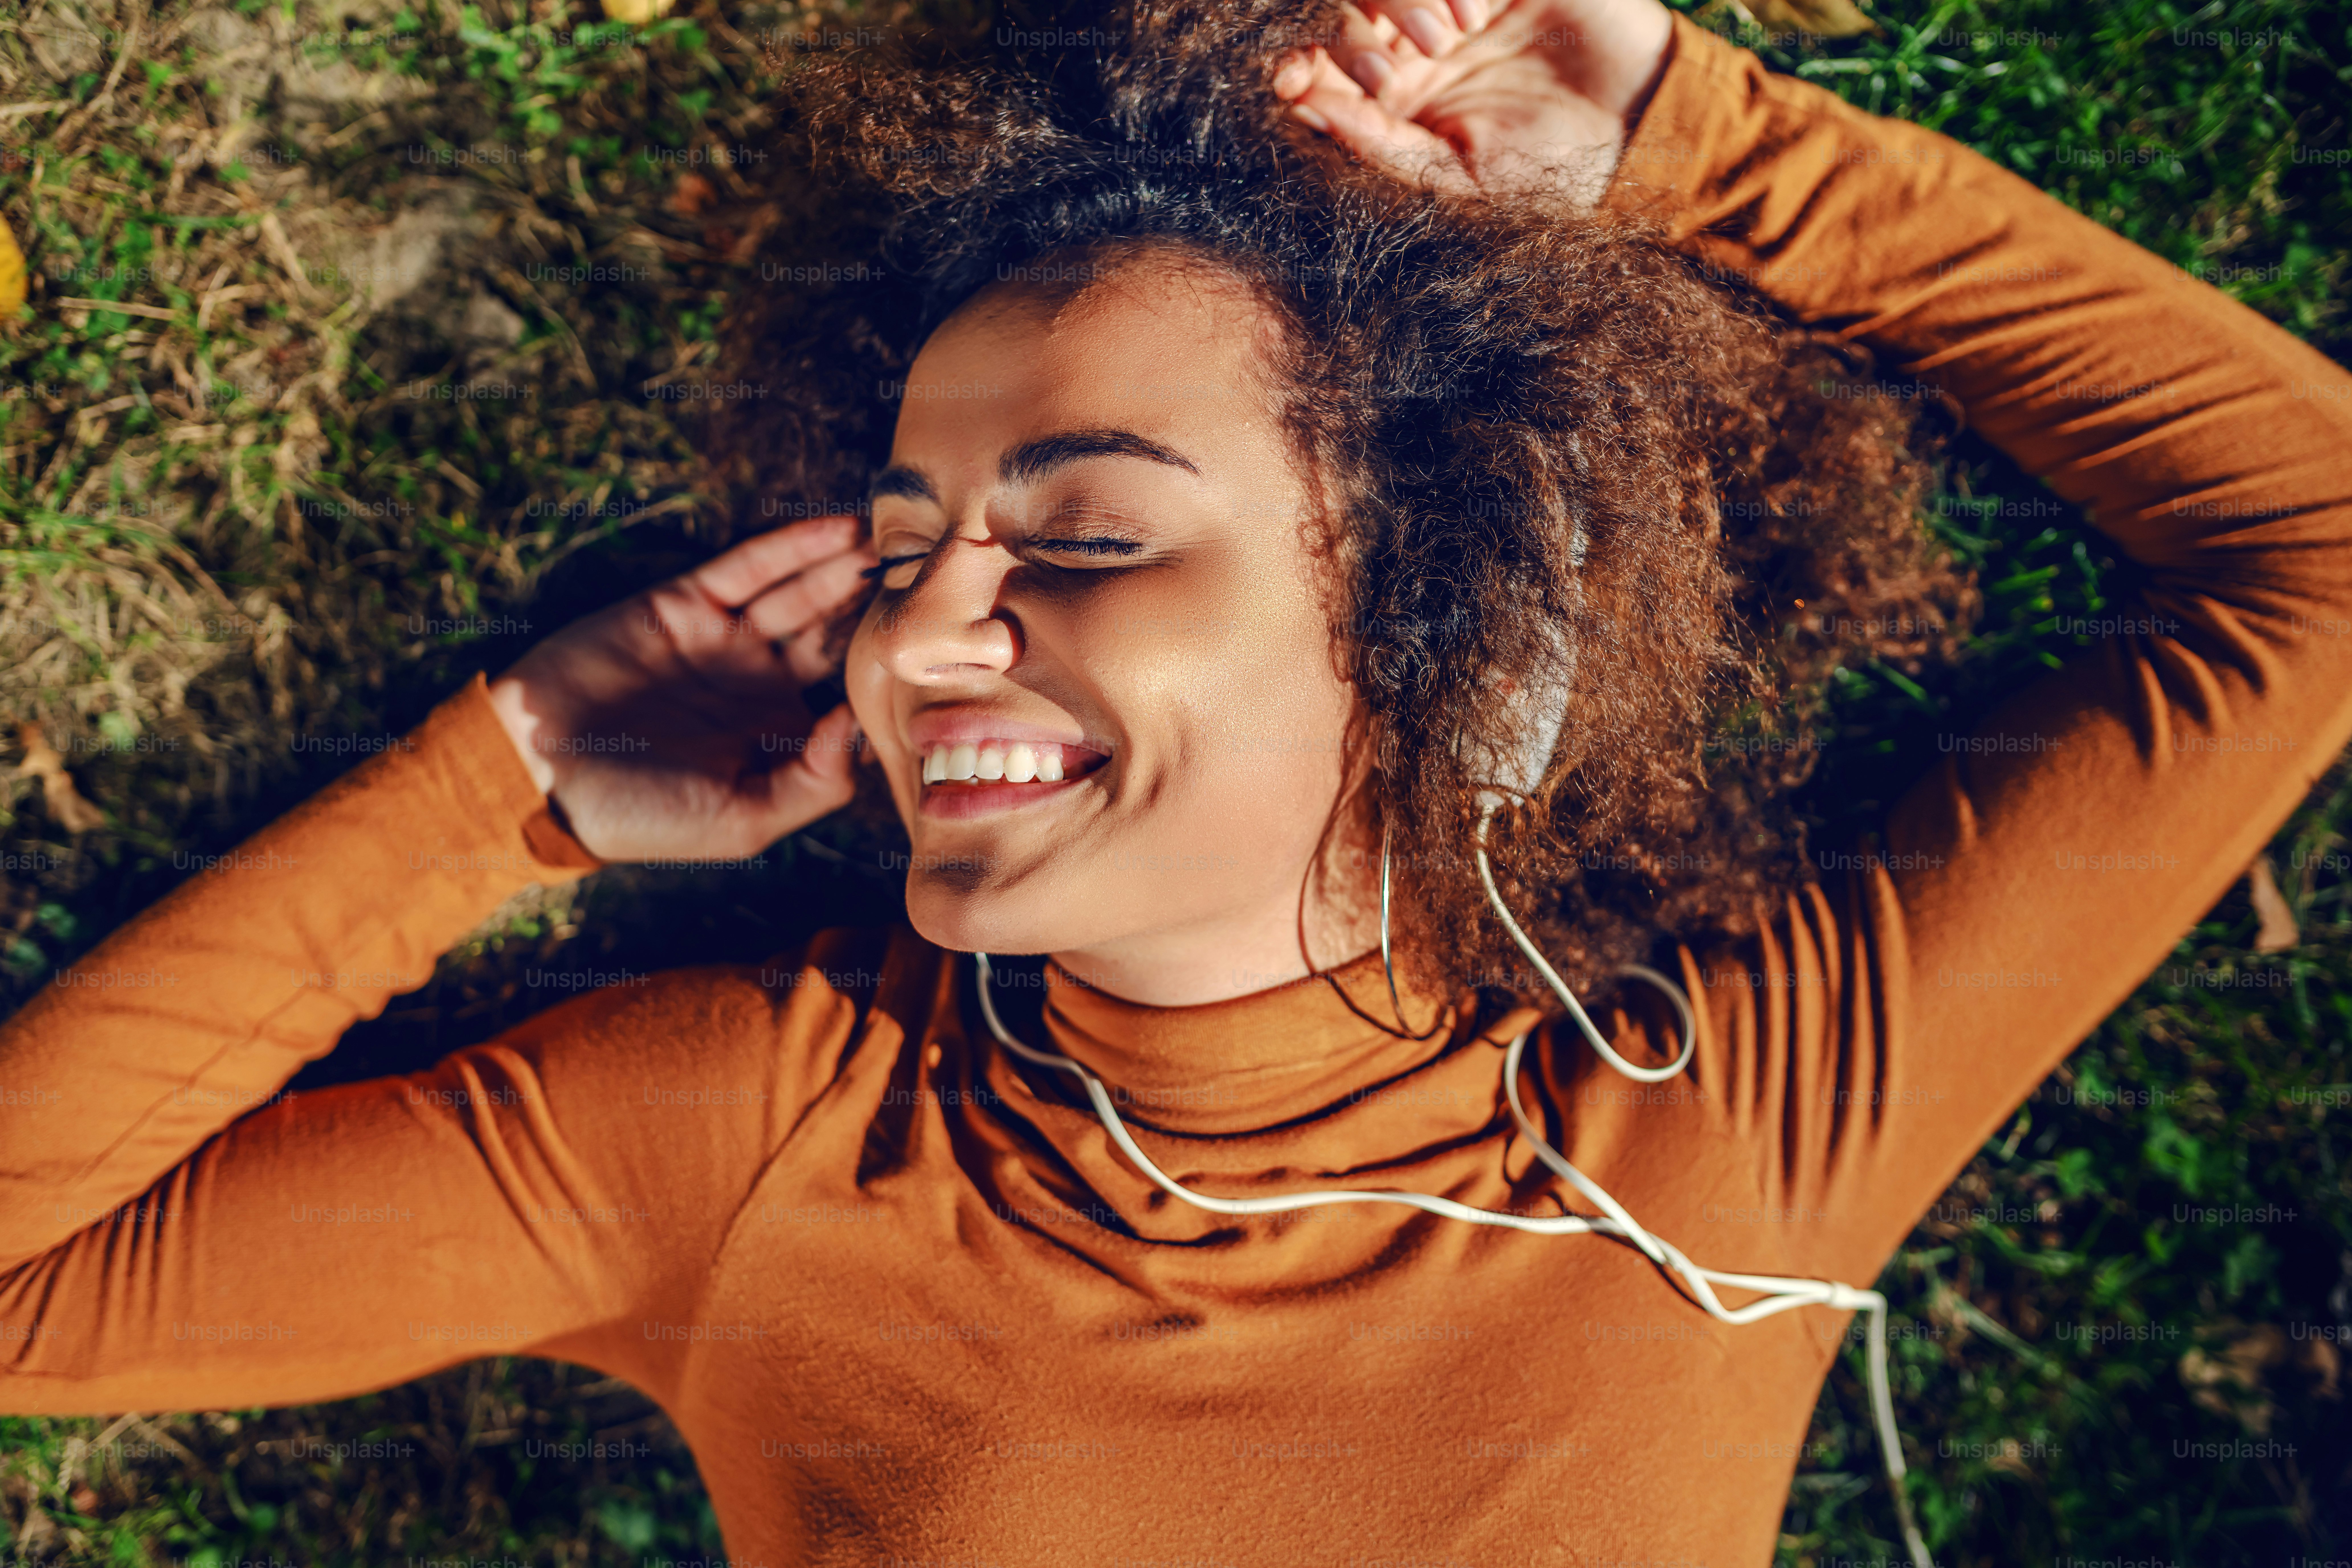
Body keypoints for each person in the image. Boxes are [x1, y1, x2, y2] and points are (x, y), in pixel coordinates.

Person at [3, 0, 2348, 1564]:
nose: (918, 635)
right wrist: (495, 790)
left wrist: (1690, 154)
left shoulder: (1729, 1128)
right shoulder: (759, 1141)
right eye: (901, 544)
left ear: (1452, 611)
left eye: (1089, 536)